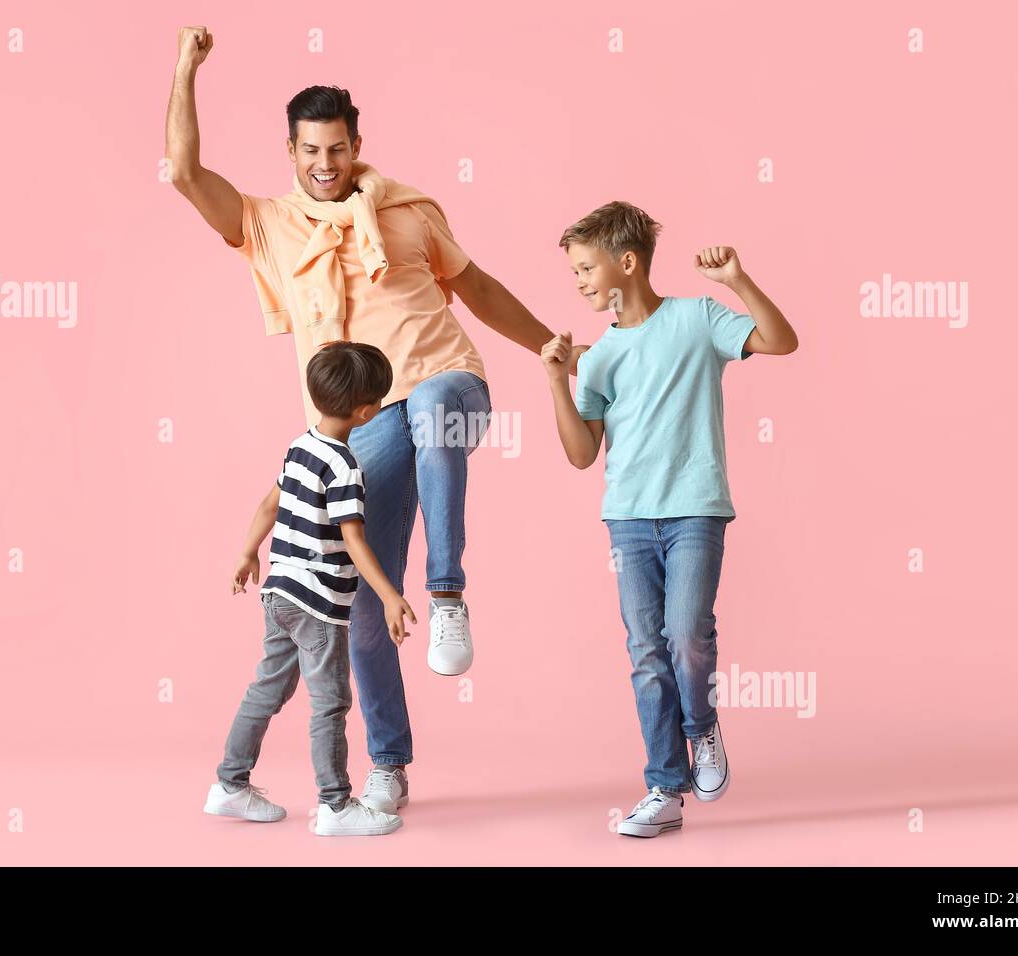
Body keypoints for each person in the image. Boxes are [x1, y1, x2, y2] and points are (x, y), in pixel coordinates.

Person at [167, 25, 579, 815]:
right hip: (361, 426)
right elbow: (183, 171)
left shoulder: (410, 211)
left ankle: (449, 593)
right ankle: (388, 764)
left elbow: (481, 288)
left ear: (359, 145)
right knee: (354, 600)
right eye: (311, 151)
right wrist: (186, 66)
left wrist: (549, 349)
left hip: (448, 387)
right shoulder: (267, 224)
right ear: (291, 152)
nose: (327, 165)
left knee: (429, 407)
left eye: (339, 149)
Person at [540, 201, 798, 837]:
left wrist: (737, 281)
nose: (577, 282)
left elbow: (781, 341)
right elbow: (581, 455)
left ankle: (700, 728)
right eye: (572, 272)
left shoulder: (696, 318)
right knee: (645, 652)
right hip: (627, 519)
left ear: (626, 264)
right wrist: (554, 380)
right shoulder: (597, 357)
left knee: (687, 635)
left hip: (694, 510)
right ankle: (664, 788)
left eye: (584, 269)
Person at [204, 342, 419, 836]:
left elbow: (268, 503)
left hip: (278, 592)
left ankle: (229, 785)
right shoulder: (345, 468)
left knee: (266, 690)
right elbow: (354, 538)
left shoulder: (299, 446)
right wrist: (389, 595)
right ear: (367, 412)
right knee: (330, 703)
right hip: (318, 606)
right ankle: (335, 806)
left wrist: (246, 552)